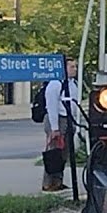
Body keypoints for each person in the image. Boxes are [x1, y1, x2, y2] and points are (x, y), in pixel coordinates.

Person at [42, 58, 80, 192]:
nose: (75, 69)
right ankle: (48, 183)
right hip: (58, 119)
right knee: (53, 152)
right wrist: (55, 128)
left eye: (75, 67)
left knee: (64, 153)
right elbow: (51, 106)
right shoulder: (55, 84)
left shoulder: (73, 84)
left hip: (68, 120)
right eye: (71, 67)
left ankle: (58, 181)